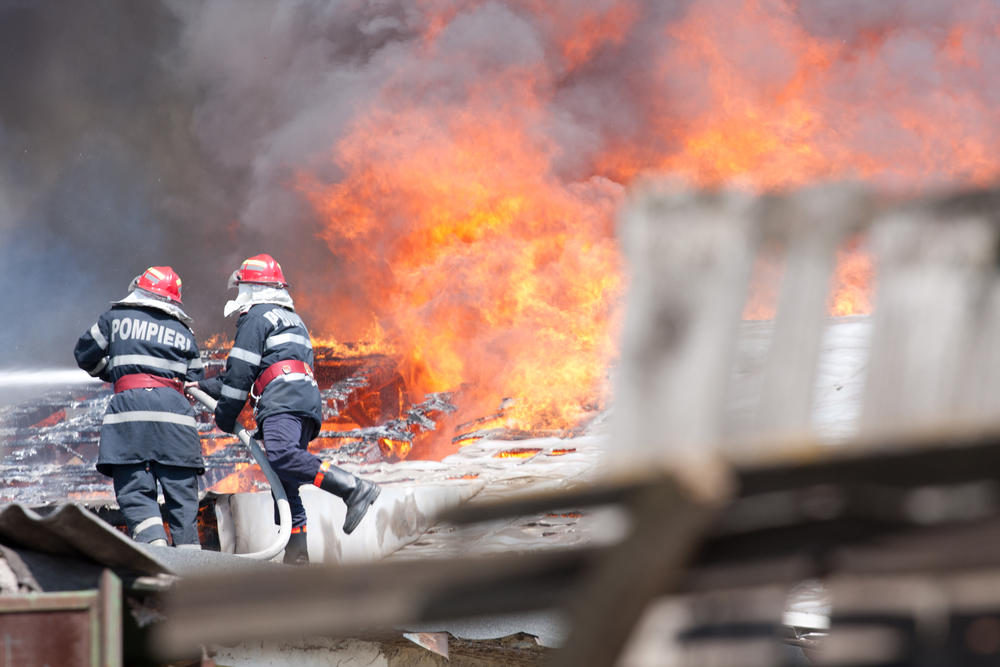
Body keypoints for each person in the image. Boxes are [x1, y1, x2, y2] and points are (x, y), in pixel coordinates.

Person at [197, 254, 380, 565]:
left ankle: (352, 488)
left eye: (241, 287)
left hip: (282, 399)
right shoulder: (291, 318)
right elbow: (240, 376)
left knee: (281, 456)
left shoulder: (256, 317)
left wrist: (225, 415)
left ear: (252, 288)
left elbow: (241, 373)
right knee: (285, 475)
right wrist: (199, 387)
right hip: (304, 400)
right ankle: (297, 552)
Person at [74, 266, 206, 548]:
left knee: (135, 492)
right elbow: (196, 380)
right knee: (183, 501)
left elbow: (84, 354)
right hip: (177, 426)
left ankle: (155, 549)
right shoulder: (184, 332)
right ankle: (193, 567)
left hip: (129, 420)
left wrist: (114, 372)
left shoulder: (115, 319)